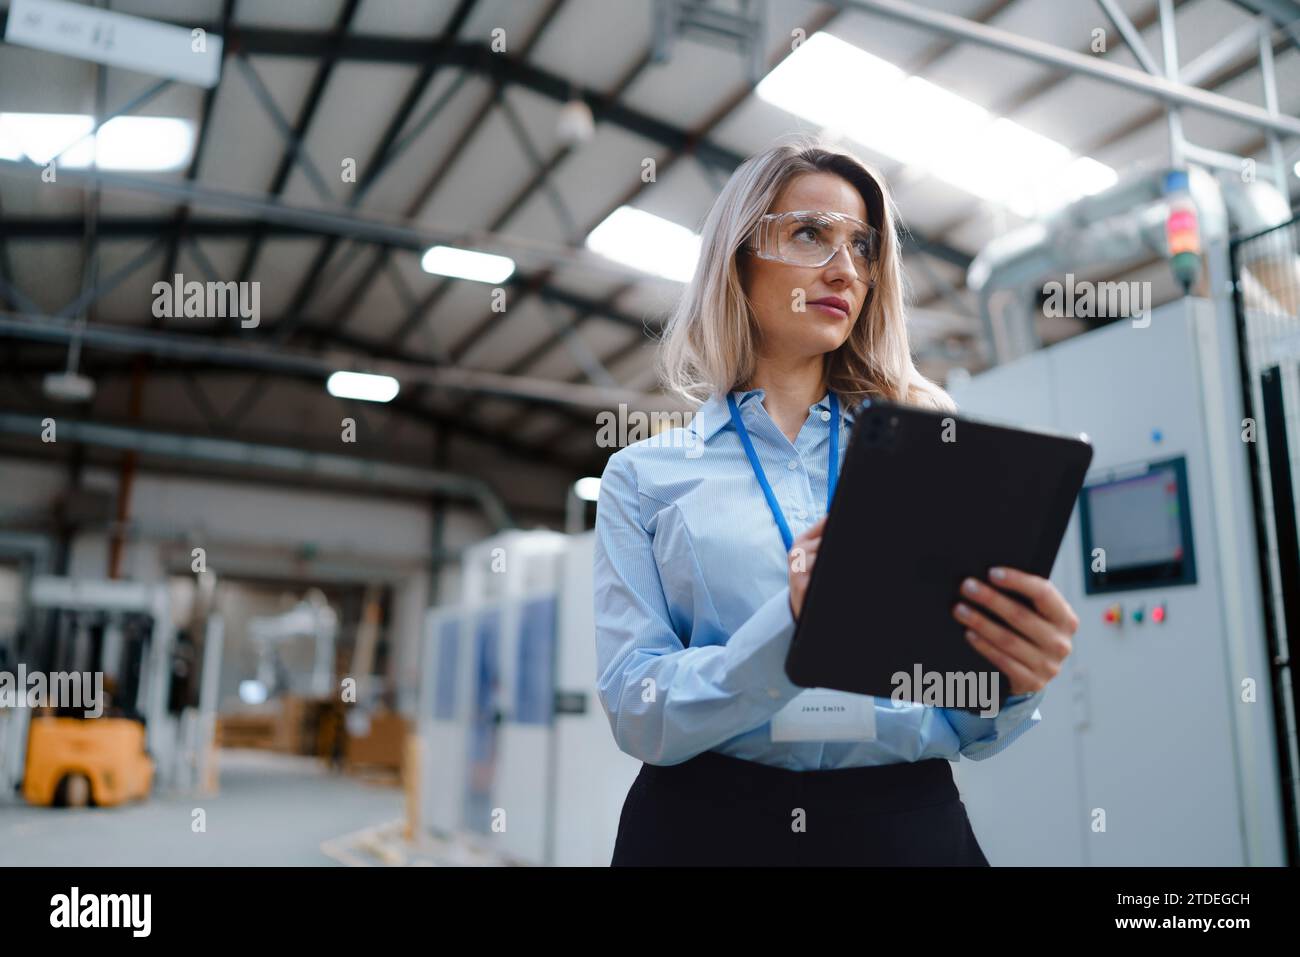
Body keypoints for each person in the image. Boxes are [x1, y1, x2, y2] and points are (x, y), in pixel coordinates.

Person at [592, 137, 1080, 866]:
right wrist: (791, 626)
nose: (846, 268)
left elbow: (964, 719)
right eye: (811, 234)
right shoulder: (644, 476)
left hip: (905, 827)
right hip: (708, 827)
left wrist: (1013, 681)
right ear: (739, 256)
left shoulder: (932, 458)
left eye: (862, 246)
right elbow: (638, 707)